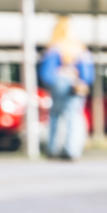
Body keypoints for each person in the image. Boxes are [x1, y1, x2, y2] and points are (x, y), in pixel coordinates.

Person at [37, 16, 94, 160]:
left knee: (55, 116)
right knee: (73, 116)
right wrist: (82, 82)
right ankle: (71, 150)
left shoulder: (54, 47)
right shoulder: (80, 48)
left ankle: (52, 149)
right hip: (75, 84)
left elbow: (46, 73)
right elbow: (87, 73)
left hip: (58, 83)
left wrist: (54, 82)